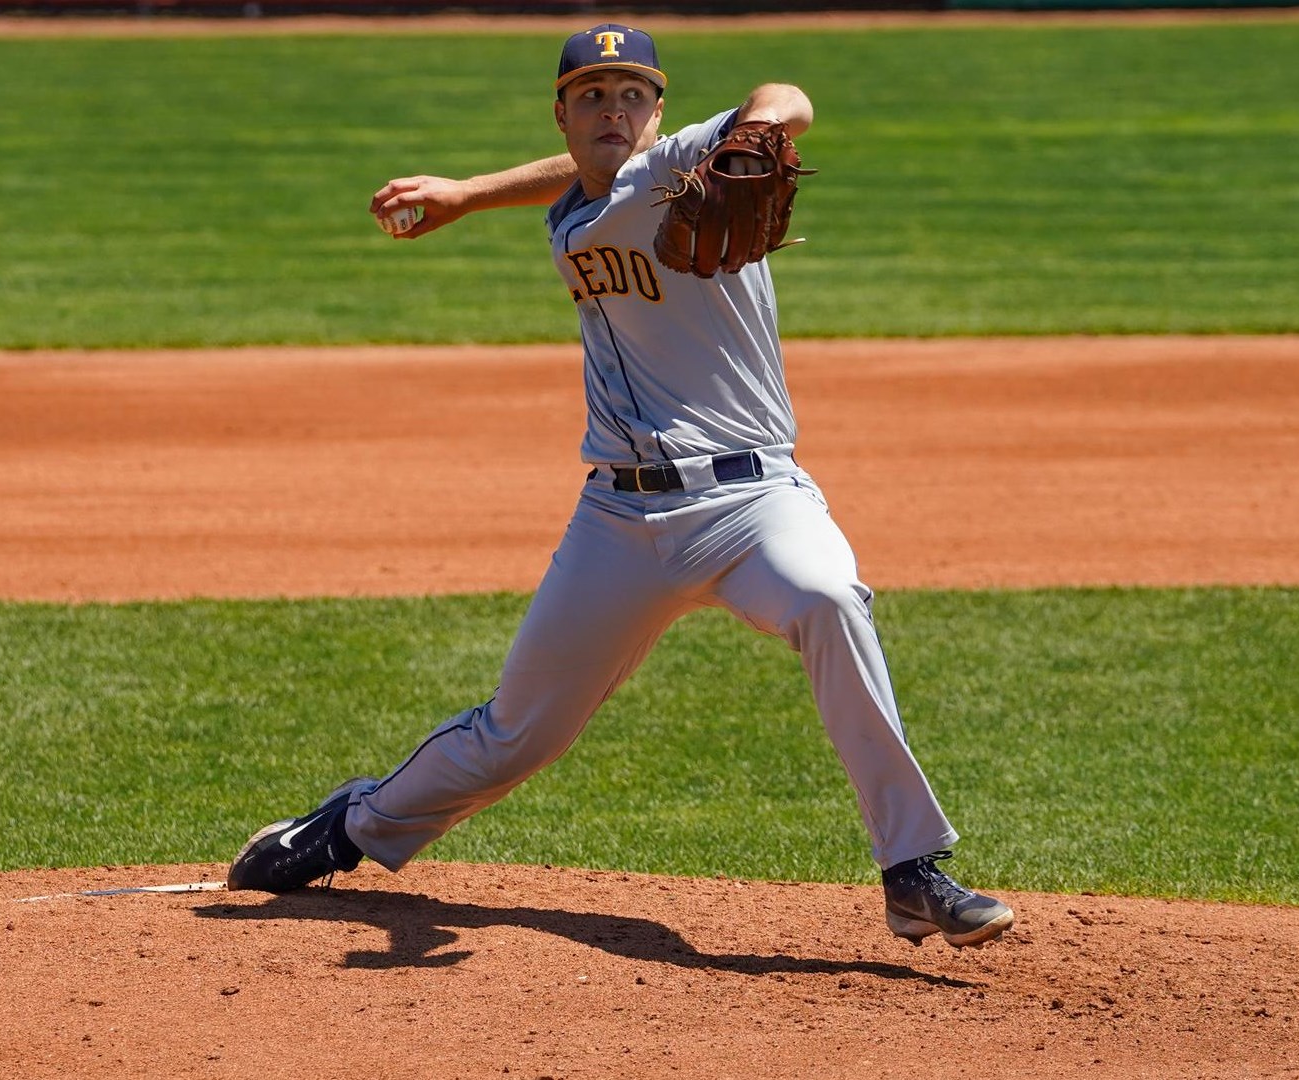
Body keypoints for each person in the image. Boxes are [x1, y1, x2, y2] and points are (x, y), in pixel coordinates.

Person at [227, 24, 1013, 950]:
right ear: (562, 114)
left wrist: (757, 127)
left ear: (661, 112)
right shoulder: (573, 205)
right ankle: (348, 828)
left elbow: (788, 95)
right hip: (617, 518)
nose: (614, 110)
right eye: (592, 96)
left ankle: (911, 870)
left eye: (632, 94)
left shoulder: (685, 162)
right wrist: (466, 196)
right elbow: (582, 174)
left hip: (750, 503)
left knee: (828, 598)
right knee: (518, 733)